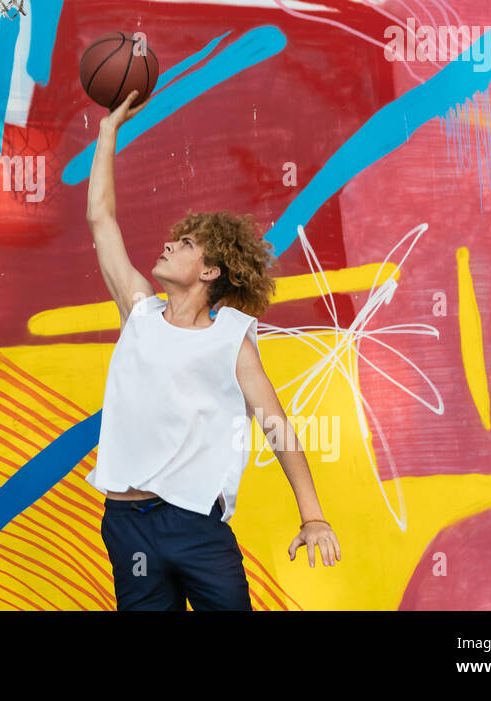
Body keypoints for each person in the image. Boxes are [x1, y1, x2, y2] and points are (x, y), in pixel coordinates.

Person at [84, 90, 341, 610]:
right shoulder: (140, 312)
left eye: (185, 245)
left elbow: (277, 428)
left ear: (209, 272)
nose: (168, 245)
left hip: (195, 527)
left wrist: (312, 515)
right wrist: (108, 134)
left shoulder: (232, 340)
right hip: (128, 527)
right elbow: (101, 220)